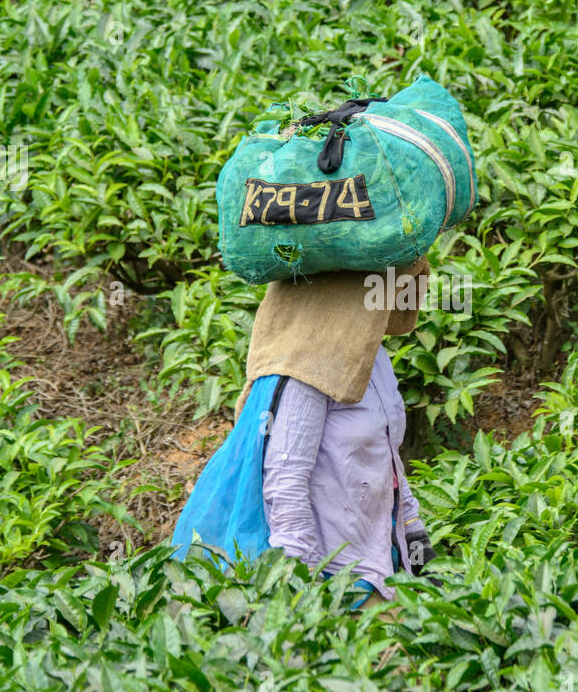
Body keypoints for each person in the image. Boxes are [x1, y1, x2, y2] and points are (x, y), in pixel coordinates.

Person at [172, 259, 435, 608]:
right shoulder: (304, 370)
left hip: (380, 560)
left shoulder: (373, 358)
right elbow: (285, 484)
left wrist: (417, 543)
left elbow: (386, 464)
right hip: (340, 579)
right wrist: (304, 594)